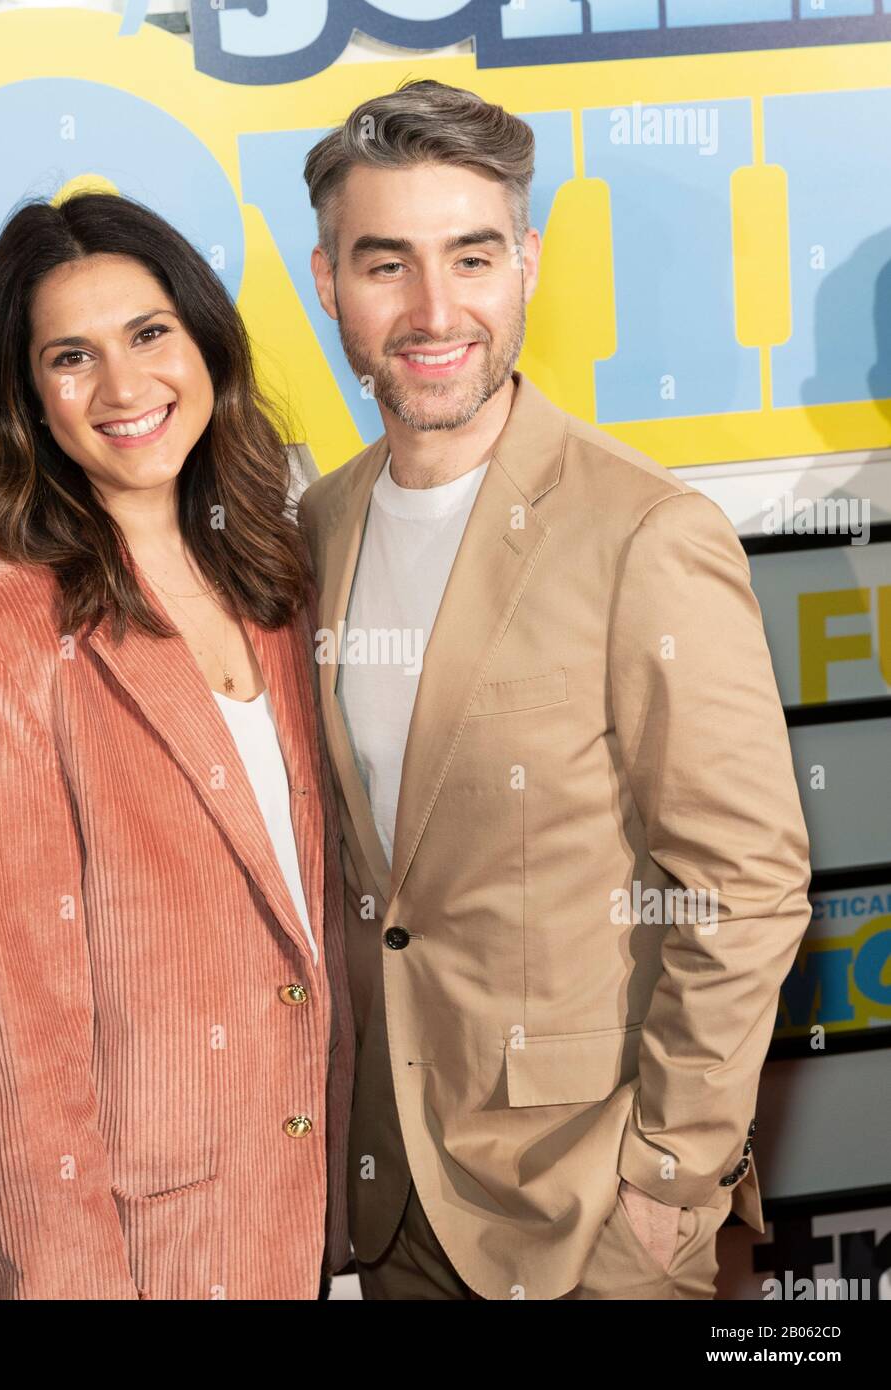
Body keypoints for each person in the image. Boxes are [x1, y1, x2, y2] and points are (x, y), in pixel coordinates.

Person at [297, 78, 812, 1300]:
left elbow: (742, 885)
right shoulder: (318, 527)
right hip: (392, 1205)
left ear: (526, 263)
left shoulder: (644, 532)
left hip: (587, 1216)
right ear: (327, 282)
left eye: (471, 258)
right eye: (387, 265)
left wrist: (670, 1178)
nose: (434, 310)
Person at [0, 191, 354, 1300]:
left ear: (205, 342)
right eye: (71, 356)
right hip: (159, 1258)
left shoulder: (289, 574)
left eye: (150, 333)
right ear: (28, 399)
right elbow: (13, 1048)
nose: (123, 387)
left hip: (345, 1222)